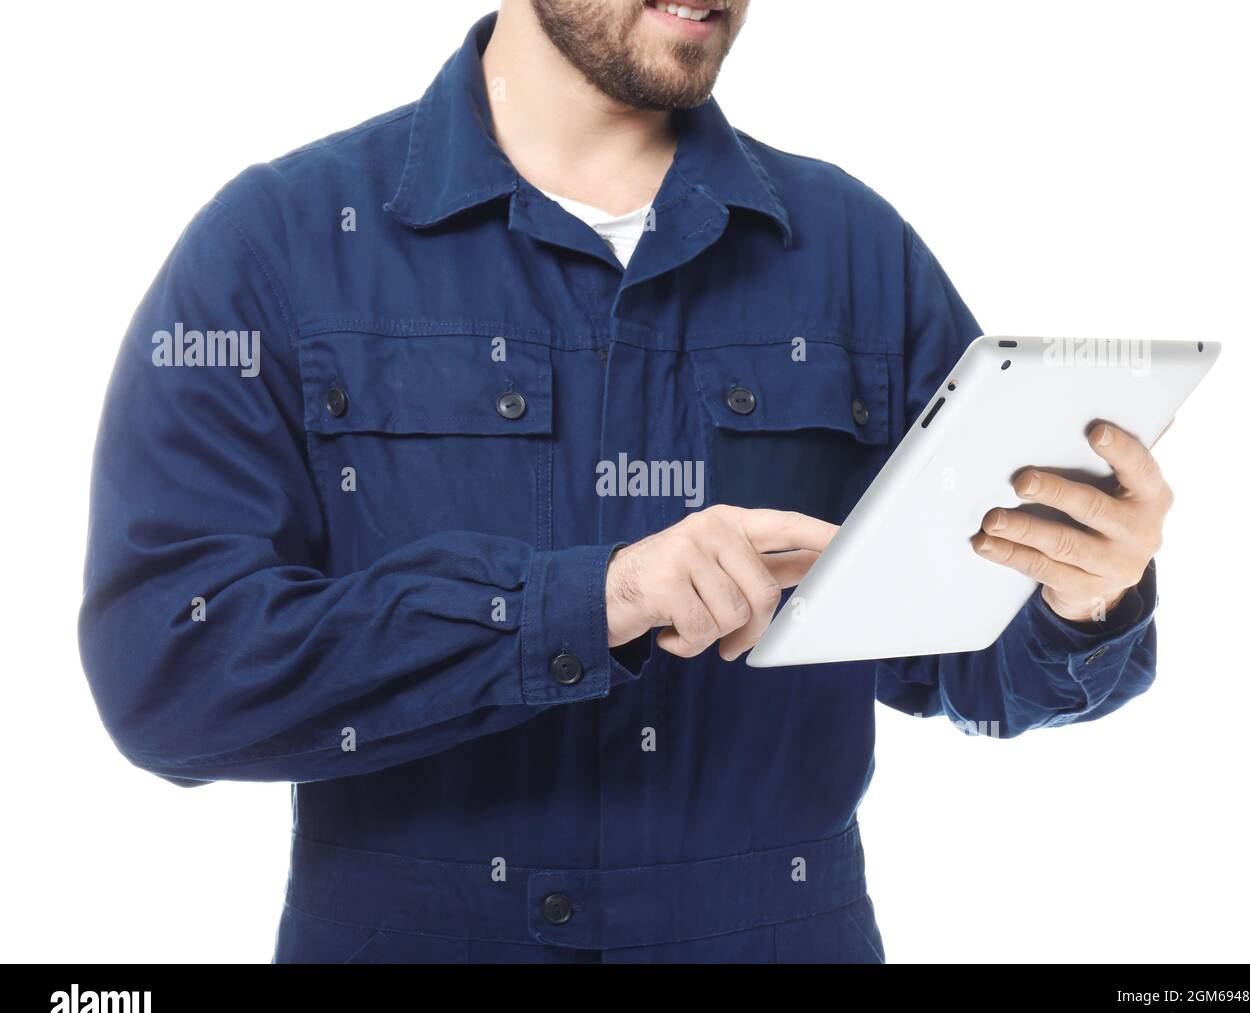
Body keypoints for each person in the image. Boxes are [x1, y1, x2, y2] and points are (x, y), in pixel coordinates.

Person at [79, 1, 1170, 963]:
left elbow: (970, 664)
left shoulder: (852, 252)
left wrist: (1083, 596)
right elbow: (169, 675)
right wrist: (589, 601)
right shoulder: (277, 246)